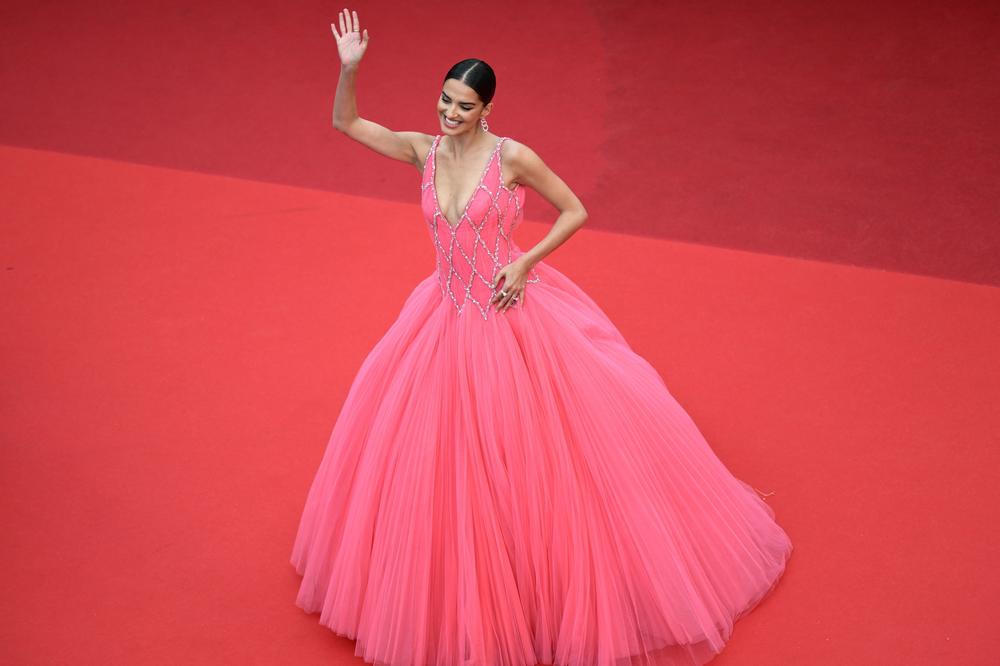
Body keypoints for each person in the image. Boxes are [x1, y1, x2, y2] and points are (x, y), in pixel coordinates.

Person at [291, 8, 792, 666]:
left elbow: (575, 209)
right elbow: (347, 124)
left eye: (462, 105)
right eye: (443, 100)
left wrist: (524, 262)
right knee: (440, 460)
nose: (448, 113)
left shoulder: (514, 158)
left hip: (508, 315)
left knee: (529, 456)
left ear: (487, 109)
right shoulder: (424, 150)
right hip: (443, 316)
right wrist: (349, 71)